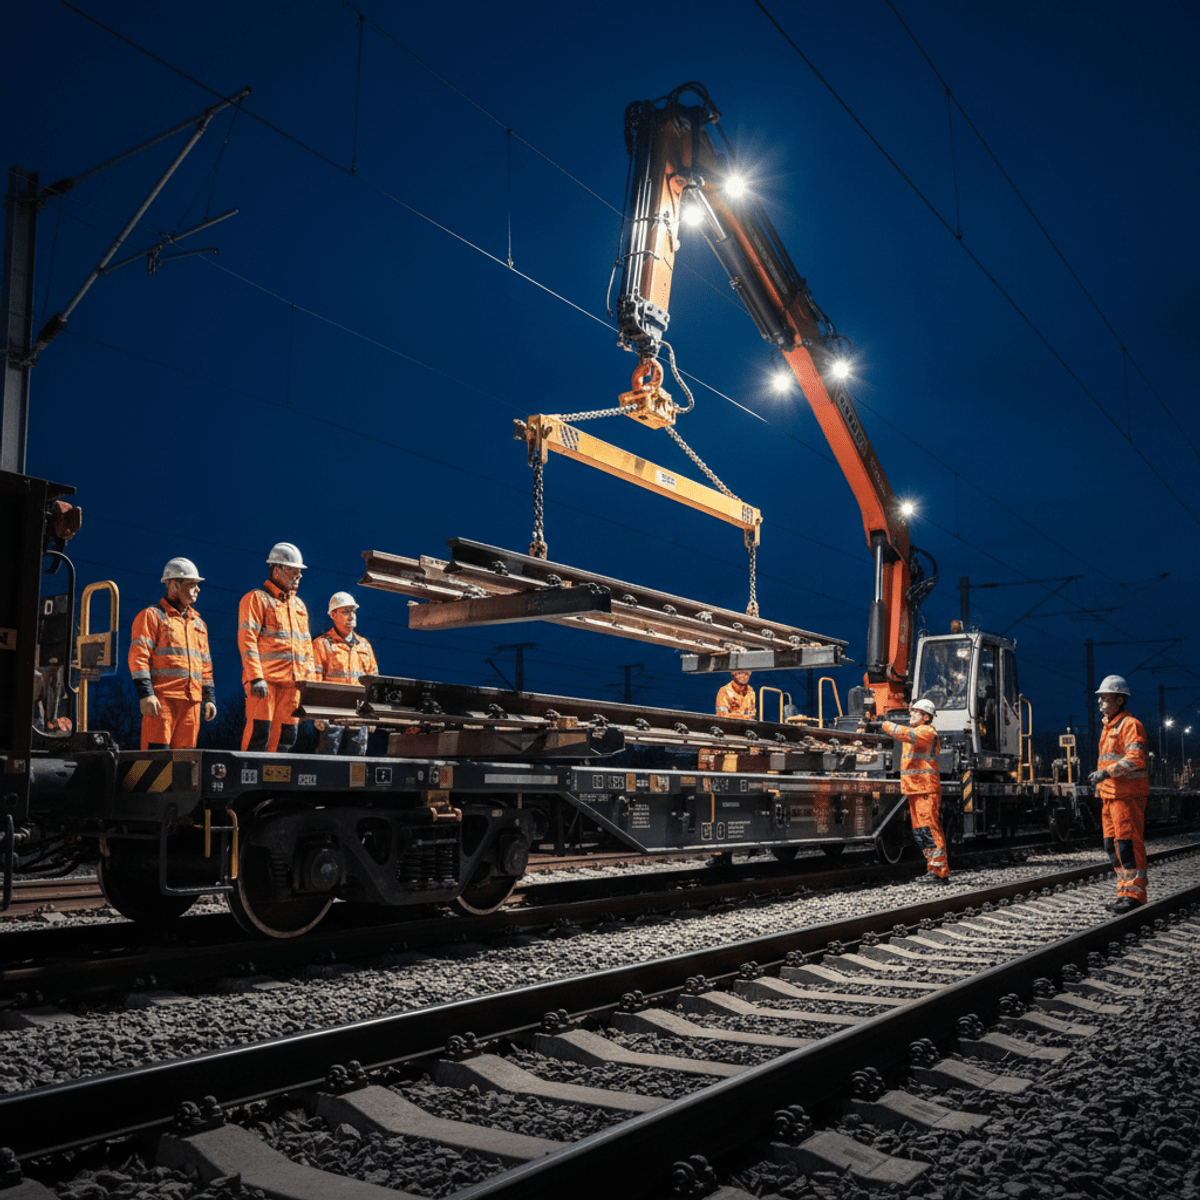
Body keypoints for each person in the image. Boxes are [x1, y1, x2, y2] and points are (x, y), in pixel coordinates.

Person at [128, 558, 216, 749]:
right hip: (162, 701)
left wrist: (209, 699)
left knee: (184, 762)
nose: (197, 590)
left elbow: (206, 666)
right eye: (192, 585)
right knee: (156, 758)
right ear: (174, 584)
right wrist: (146, 695)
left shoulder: (199, 624)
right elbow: (139, 657)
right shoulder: (152, 616)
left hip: (192, 703)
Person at [238, 542, 314, 753]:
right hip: (265, 683)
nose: (298, 575)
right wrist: (255, 677)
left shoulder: (299, 606)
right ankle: (250, 776)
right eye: (293, 570)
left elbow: (307, 648)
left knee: (287, 736)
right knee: (259, 734)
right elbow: (247, 640)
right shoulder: (256, 599)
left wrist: (311, 686)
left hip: (292, 686)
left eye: (300, 571)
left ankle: (275, 780)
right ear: (276, 569)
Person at [1088, 675, 1149, 913]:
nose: (1100, 702)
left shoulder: (1130, 725)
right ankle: (1124, 891)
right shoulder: (1109, 727)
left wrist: (1105, 773)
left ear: (1120, 700)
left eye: (1105, 698)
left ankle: (1135, 894)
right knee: (1112, 847)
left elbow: (1136, 758)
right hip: (1110, 796)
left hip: (1127, 795)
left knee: (1128, 845)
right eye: (1100, 698)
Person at [881, 697, 948, 884]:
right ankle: (933, 867)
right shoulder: (919, 731)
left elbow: (902, 733)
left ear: (926, 717)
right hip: (916, 788)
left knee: (930, 828)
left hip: (925, 788)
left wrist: (884, 723)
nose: (911, 715)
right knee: (922, 831)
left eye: (916, 712)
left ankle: (939, 871)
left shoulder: (926, 732)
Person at [312, 591, 378, 756]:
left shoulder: (364, 646)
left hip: (359, 712)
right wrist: (317, 715)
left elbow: (374, 683)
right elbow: (314, 681)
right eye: (345, 611)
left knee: (357, 760)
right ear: (333, 615)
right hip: (332, 711)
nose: (351, 616)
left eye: (353, 611)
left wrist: (373, 715)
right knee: (328, 754)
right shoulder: (322, 644)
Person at [704, 669, 757, 864]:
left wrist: (741, 718)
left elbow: (751, 716)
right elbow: (724, 718)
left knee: (748, 797)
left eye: (748, 672)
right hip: (727, 748)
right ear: (734, 673)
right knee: (724, 799)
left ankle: (749, 842)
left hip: (745, 748)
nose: (745, 675)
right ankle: (720, 854)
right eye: (741, 672)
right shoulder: (724, 692)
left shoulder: (751, 692)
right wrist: (742, 719)